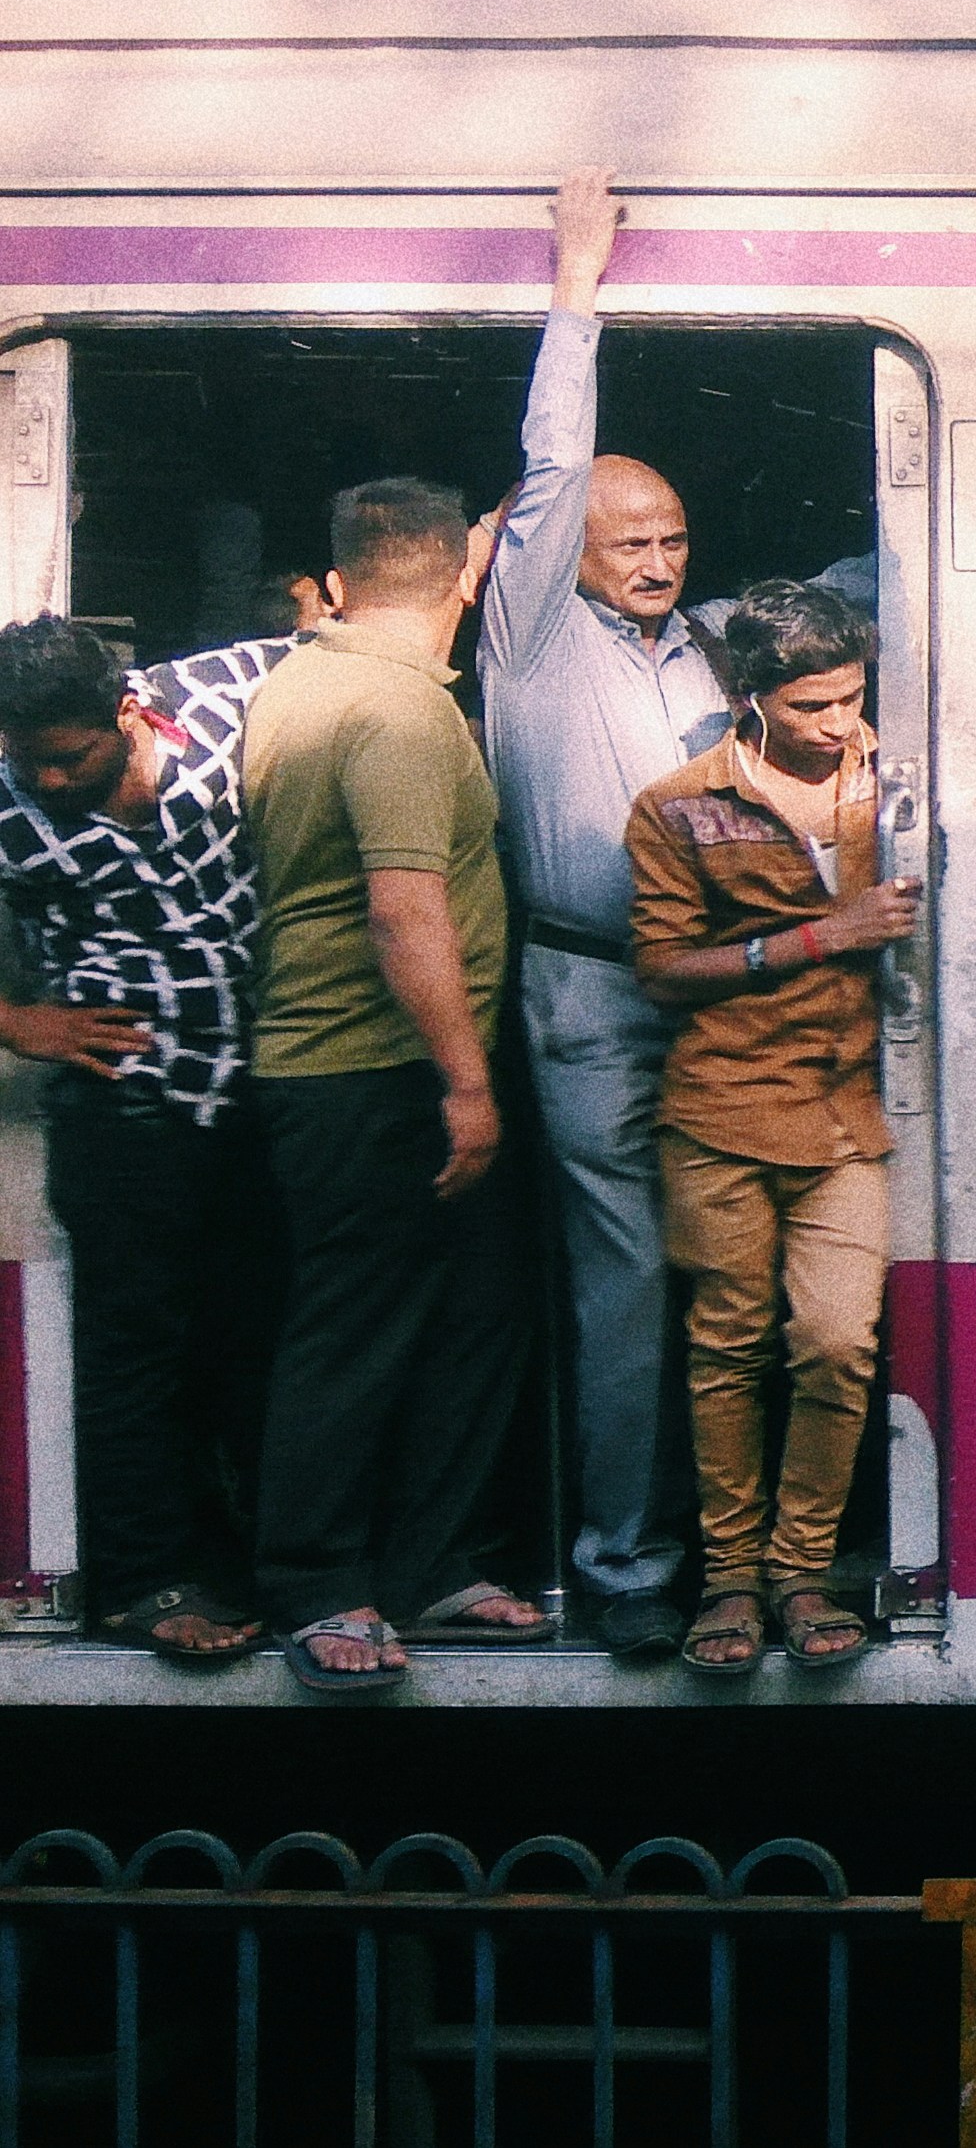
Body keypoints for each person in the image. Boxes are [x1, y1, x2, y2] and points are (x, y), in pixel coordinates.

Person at [240, 477, 546, 1691]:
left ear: (340, 578)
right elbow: (403, 910)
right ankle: (317, 1586)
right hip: (377, 1068)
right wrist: (469, 1085)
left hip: (363, 1065)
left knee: (480, 1309)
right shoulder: (399, 716)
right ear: (466, 580)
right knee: (355, 1331)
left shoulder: (308, 680)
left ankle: (434, 1562)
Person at [488, 165, 728, 1657]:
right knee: (630, 1280)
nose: (654, 559)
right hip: (587, 996)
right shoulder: (527, 630)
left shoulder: (703, 643)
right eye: (629, 541)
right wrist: (578, 288)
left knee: (730, 1267)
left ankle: (748, 1559)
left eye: (675, 540)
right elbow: (554, 461)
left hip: (724, 990)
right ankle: (629, 1576)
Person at [626, 580, 916, 1672]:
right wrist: (821, 937)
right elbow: (657, 970)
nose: (840, 724)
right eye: (813, 708)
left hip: (844, 1118)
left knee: (838, 1346)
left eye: (850, 699)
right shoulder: (677, 805)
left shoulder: (895, 779)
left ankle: (804, 1570)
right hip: (720, 1115)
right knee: (728, 1352)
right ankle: (733, 1581)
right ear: (752, 698)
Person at [0, 617, 290, 1663]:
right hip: (126, 1104)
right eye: (23, 755)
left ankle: (264, 1568)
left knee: (254, 1336)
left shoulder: (223, 693)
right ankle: (144, 1582)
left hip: (259, 1090)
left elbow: (347, 639)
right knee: (137, 1354)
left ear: (129, 711)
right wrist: (18, 1020)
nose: (42, 775)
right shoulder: (6, 798)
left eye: (65, 755)